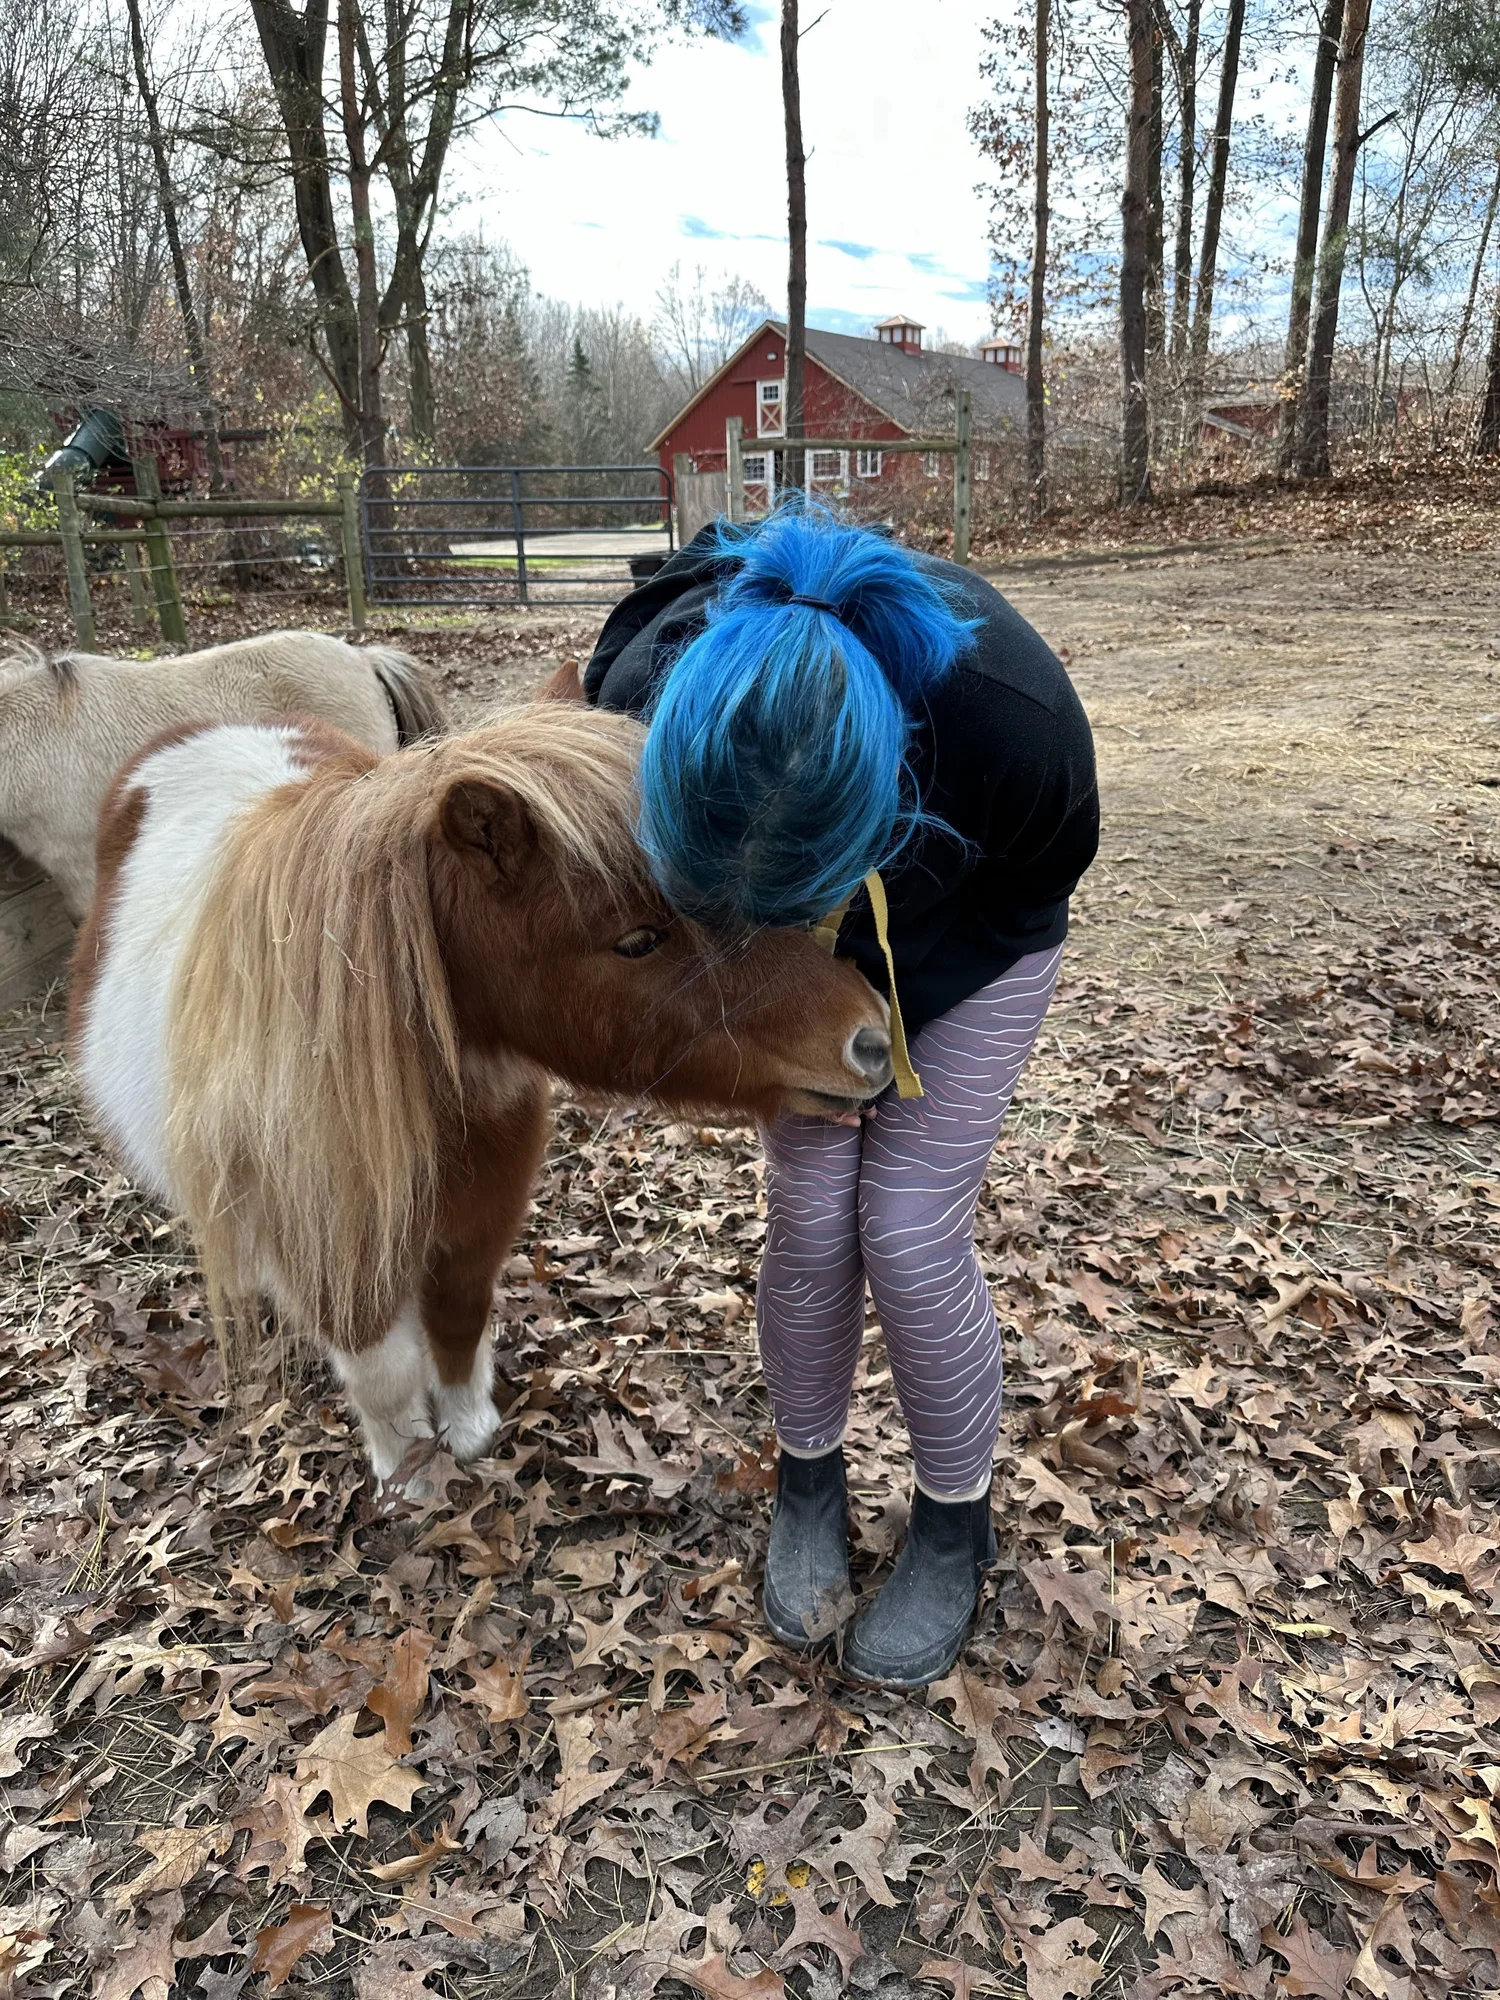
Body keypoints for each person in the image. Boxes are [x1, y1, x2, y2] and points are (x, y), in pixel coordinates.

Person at [583, 505, 1098, 1687]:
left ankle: (953, 1524)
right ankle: (808, 1479)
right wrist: (783, 1027)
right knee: (812, 1219)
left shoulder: (1014, 723)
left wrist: (887, 1030)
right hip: (780, 971)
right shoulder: (643, 683)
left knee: (909, 1233)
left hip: (973, 942)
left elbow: (1033, 896)